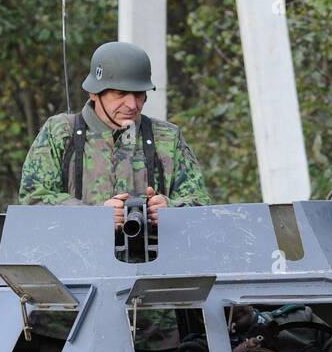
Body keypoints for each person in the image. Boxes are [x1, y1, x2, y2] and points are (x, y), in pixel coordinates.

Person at [19, 40, 211, 220]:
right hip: (78, 252)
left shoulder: (167, 138)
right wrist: (95, 216)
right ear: (94, 93)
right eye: (120, 94)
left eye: (138, 94)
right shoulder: (60, 132)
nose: (132, 105)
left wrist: (169, 209)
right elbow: (33, 200)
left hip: (154, 255)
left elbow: (201, 204)